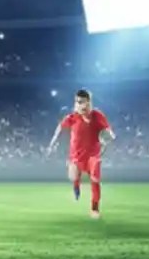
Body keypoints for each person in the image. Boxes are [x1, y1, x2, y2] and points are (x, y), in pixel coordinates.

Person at [46, 89, 115, 218]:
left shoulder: (98, 116)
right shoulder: (72, 118)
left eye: (83, 102)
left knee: (95, 180)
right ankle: (76, 185)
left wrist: (108, 137)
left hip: (94, 155)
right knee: (73, 175)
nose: (80, 105)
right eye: (77, 102)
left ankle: (94, 209)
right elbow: (60, 127)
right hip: (76, 156)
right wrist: (52, 143)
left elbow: (109, 133)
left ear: (89, 103)